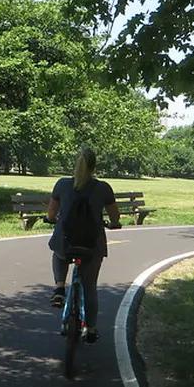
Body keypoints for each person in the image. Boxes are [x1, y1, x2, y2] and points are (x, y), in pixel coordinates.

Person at [46, 147, 121, 344]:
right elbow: (115, 216)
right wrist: (113, 224)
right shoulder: (104, 188)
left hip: (66, 242)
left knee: (58, 252)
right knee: (90, 287)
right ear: (94, 166)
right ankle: (92, 328)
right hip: (92, 244)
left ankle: (59, 288)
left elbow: (51, 214)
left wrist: (52, 219)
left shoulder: (62, 184)